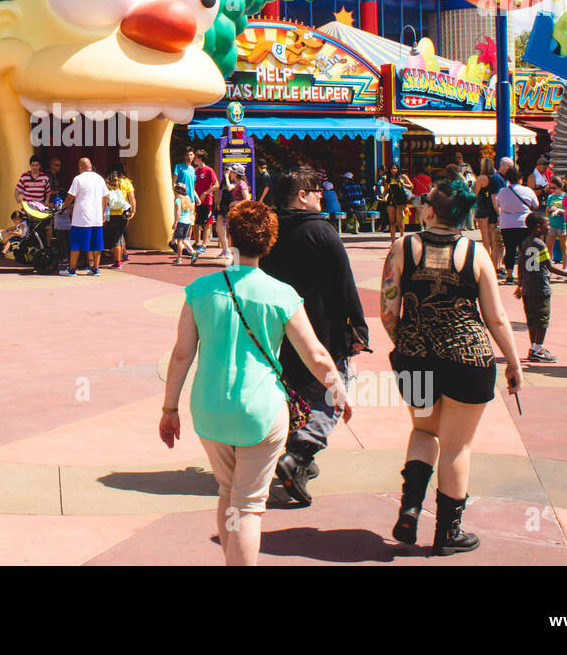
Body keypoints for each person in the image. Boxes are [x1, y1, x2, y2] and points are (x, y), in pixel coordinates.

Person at [159, 201, 351, 565]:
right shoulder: (281, 294)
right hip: (262, 411)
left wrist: (169, 408)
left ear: (230, 237)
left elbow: (182, 354)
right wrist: (338, 390)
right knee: (248, 506)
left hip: (210, 409)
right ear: (269, 242)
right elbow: (316, 354)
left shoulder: (200, 290)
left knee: (228, 492)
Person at [380, 179, 523, 555]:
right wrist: (513, 362)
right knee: (457, 445)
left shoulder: (402, 246)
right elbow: (496, 317)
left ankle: (411, 505)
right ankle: (448, 531)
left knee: (424, 431)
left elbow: (388, 311)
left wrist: (407, 342)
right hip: (467, 361)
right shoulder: (475, 254)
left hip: (417, 363)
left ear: (430, 210)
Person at [260, 168, 369, 506]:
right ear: (301, 196)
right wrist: (358, 329)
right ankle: (300, 452)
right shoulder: (322, 231)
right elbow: (344, 284)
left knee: (292, 393)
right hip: (322, 329)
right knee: (330, 395)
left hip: (277, 332)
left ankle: (297, 458)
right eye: (316, 190)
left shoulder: (270, 232)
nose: (322, 194)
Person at [514, 212, 567, 364]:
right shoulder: (541, 245)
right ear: (538, 227)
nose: (549, 227)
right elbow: (550, 267)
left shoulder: (525, 243)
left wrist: (520, 284)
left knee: (531, 319)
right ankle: (539, 349)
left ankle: (533, 348)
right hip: (540, 287)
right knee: (542, 319)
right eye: (547, 224)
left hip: (528, 288)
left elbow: (520, 265)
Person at [60, 157, 108, 277]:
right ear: (90, 166)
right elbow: (105, 197)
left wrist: (63, 207)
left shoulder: (78, 179)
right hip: (96, 218)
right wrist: (102, 212)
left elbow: (70, 196)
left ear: (80, 167)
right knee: (97, 244)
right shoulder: (99, 179)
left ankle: (71, 270)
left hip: (81, 218)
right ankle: (95, 269)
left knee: (76, 244)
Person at [495, 166, 538, 284]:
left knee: (509, 250)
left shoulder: (502, 192)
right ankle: (524, 276)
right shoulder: (527, 190)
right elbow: (536, 205)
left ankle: (509, 276)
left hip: (507, 224)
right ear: (520, 178)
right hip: (524, 223)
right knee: (525, 251)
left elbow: (498, 204)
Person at [103, 165, 136, 269]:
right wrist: (133, 211)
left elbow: (104, 199)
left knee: (115, 238)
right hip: (124, 212)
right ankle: (121, 258)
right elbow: (132, 197)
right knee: (120, 235)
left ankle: (117, 262)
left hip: (111, 213)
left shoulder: (107, 183)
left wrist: (103, 213)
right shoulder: (126, 182)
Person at [474, 158, 502, 272]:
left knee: (484, 235)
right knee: (492, 235)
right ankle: (495, 261)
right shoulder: (496, 178)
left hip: (482, 207)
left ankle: (487, 258)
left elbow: (474, 193)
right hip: (493, 207)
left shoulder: (481, 178)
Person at [192, 150, 219, 252]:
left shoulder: (209, 170)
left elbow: (216, 185)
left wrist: (206, 192)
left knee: (207, 223)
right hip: (196, 200)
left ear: (200, 158)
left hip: (207, 201)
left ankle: (204, 244)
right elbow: (194, 184)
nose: (194, 159)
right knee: (195, 222)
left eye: (195, 157)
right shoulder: (195, 171)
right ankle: (197, 242)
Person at [170, 182, 199, 265]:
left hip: (181, 221)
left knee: (179, 241)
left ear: (177, 191)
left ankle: (179, 259)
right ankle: (193, 252)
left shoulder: (178, 199)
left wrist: (175, 222)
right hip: (187, 221)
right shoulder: (187, 198)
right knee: (183, 240)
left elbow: (178, 211)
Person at [384, 163, 413, 242]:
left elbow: (411, 186)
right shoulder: (387, 178)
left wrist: (403, 183)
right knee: (392, 222)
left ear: (397, 169)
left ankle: (401, 237)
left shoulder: (402, 177)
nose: (393, 170)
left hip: (400, 201)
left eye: (395, 168)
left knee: (399, 223)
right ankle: (393, 241)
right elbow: (386, 190)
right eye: (392, 168)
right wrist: (381, 196)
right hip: (391, 201)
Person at [546, 176, 567, 269]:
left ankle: (564, 268)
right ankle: (549, 268)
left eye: (554, 188)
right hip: (551, 224)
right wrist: (550, 210)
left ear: (560, 187)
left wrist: (559, 210)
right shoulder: (550, 197)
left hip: (562, 224)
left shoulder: (565, 196)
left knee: (564, 247)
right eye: (551, 188)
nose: (552, 190)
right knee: (549, 248)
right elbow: (547, 209)